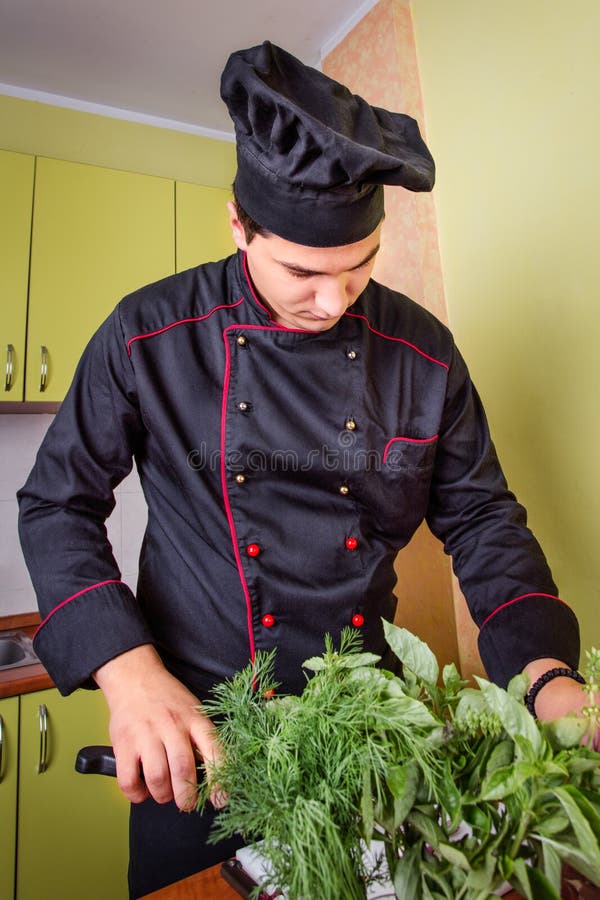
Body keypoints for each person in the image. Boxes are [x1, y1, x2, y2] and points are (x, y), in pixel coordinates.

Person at [17, 41, 592, 898]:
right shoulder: (149, 336)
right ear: (238, 225)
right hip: (202, 739)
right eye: (303, 273)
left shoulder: (423, 354)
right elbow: (56, 504)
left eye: (361, 269)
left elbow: (482, 523)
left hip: (371, 733)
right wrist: (128, 672)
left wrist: (549, 677)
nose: (335, 301)